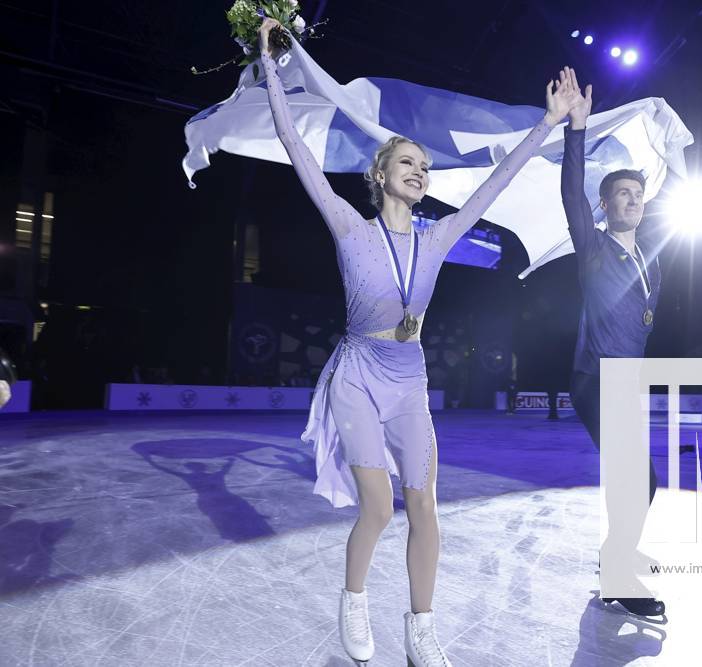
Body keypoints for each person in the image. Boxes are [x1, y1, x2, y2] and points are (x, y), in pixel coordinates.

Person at [257, 19, 579, 666]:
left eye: (425, 166)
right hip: (356, 374)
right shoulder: (349, 227)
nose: (421, 171)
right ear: (379, 174)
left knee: (425, 506)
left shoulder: (435, 240)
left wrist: (549, 123)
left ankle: (421, 625)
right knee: (376, 507)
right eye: (409, 162)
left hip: (408, 378)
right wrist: (269, 62)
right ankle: (354, 598)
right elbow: (292, 141)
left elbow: (497, 182)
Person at [559, 69, 666, 618]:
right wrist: (575, 130)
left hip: (627, 385)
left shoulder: (652, 261)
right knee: (633, 478)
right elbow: (570, 192)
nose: (631, 200)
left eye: (638, 193)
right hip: (594, 377)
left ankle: (615, 557)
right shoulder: (594, 249)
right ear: (605, 206)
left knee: (645, 481)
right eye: (621, 194)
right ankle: (618, 576)